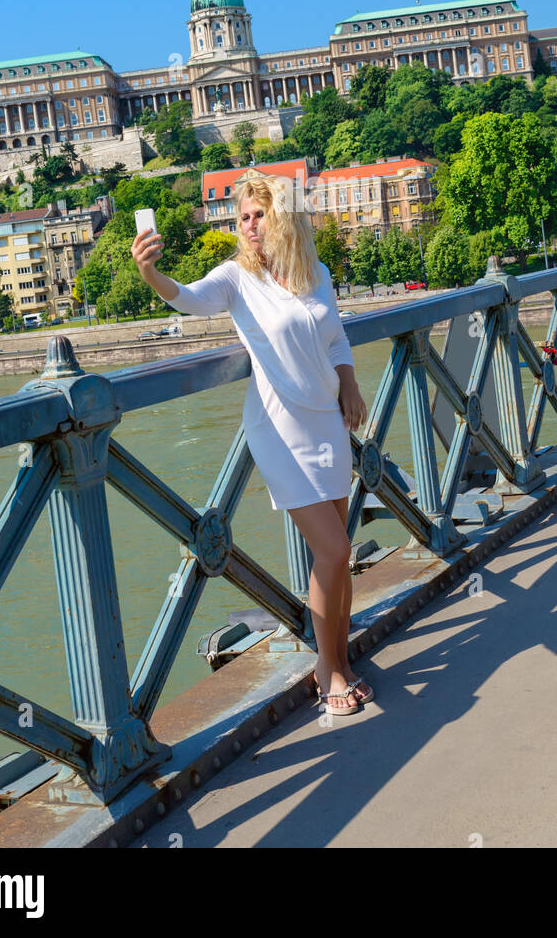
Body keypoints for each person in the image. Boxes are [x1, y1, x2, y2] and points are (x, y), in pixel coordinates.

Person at [130, 169, 373, 718]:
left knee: (337, 557)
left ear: (282, 216)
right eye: (242, 216)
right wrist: (151, 274)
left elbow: (335, 334)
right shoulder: (237, 277)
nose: (248, 225)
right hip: (280, 431)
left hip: (327, 423)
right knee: (332, 551)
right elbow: (189, 300)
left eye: (258, 214)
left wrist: (351, 382)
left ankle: (342, 658)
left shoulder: (315, 273)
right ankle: (326, 667)